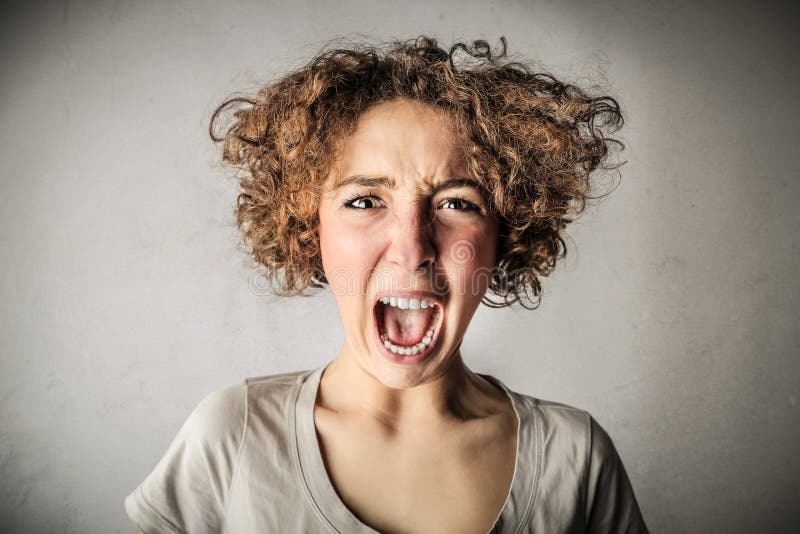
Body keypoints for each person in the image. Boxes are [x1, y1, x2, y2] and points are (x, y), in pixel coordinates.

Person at [125, 36, 649, 533]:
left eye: (457, 203)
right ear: (311, 229)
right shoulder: (232, 435)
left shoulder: (576, 459)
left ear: (504, 237)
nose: (412, 249)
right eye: (364, 201)